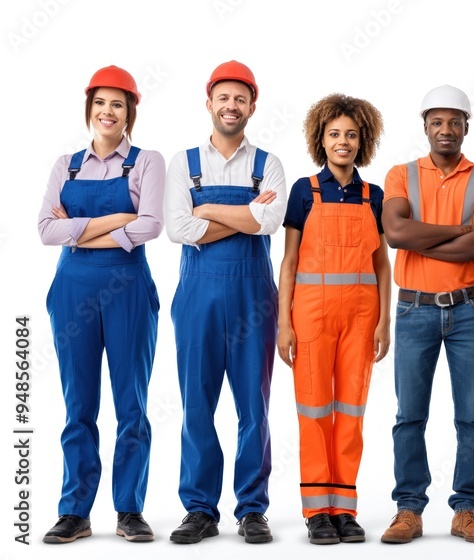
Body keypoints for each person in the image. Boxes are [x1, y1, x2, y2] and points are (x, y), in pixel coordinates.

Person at [38, 65, 164, 545]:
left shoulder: (147, 161)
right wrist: (115, 220)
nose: (107, 112)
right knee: (78, 404)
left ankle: (129, 509)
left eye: (117, 103)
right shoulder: (65, 165)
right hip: (72, 290)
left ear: (130, 111)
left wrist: (79, 228)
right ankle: (75, 510)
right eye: (100, 103)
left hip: (128, 289)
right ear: (89, 109)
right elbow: (45, 232)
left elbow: (150, 225)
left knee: (131, 403)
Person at [163, 60, 286, 545]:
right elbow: (178, 229)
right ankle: (199, 508)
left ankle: (252, 508)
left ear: (252, 106)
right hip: (197, 300)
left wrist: (208, 209)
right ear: (209, 102)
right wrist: (246, 213)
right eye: (224, 97)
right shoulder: (183, 162)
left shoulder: (268, 163)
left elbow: (270, 222)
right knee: (197, 404)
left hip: (254, 298)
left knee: (253, 408)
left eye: (241, 98)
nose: (231, 106)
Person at [379, 85, 474, 544]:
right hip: (415, 308)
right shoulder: (400, 174)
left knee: (471, 416)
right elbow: (394, 232)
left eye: (455, 122)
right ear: (425, 126)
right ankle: (408, 509)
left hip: (471, 307)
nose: (445, 130)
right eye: (437, 122)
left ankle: (467, 509)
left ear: (467, 126)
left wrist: (423, 236)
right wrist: (457, 228)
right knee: (409, 415)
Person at [276, 93, 391, 545]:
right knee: (313, 409)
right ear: (320, 140)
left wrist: (385, 322)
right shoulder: (305, 191)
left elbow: (382, 265)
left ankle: (344, 507)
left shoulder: (373, 195)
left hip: (361, 318)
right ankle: (316, 510)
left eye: (351, 134)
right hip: (311, 316)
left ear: (363, 140)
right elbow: (288, 263)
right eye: (334, 134)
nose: (343, 142)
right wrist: (284, 324)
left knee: (350, 412)